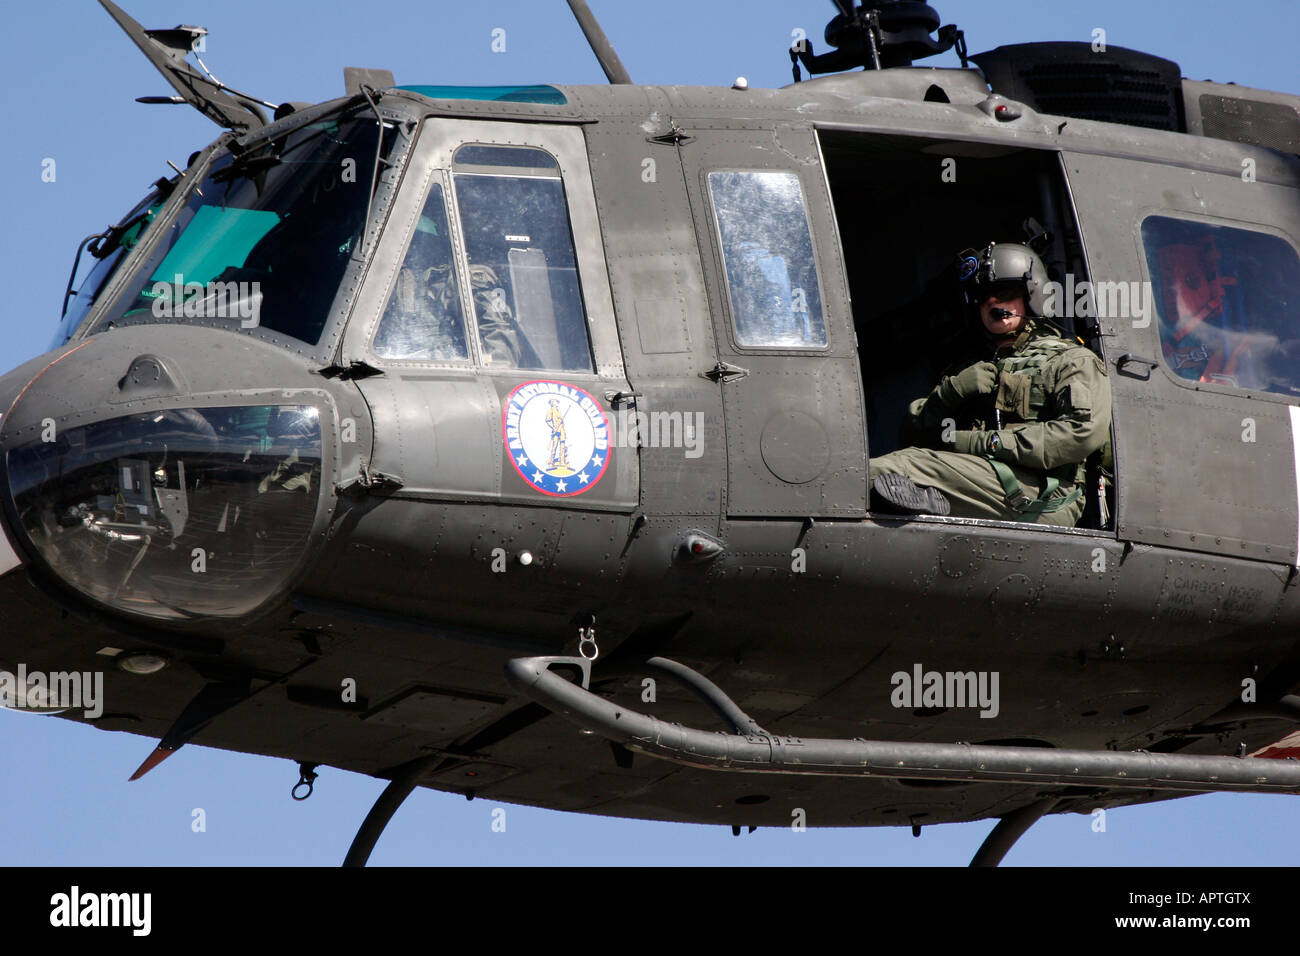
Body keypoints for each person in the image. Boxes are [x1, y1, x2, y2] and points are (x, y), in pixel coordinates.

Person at [869, 242, 1112, 526]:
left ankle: (927, 488)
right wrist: (949, 393)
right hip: (981, 479)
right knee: (892, 472)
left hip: (1044, 493)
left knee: (891, 469)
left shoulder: (1072, 360)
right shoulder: (966, 367)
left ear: (1031, 294)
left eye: (1006, 292)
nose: (994, 303)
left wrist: (983, 442)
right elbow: (914, 437)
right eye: (983, 296)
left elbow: (1080, 433)